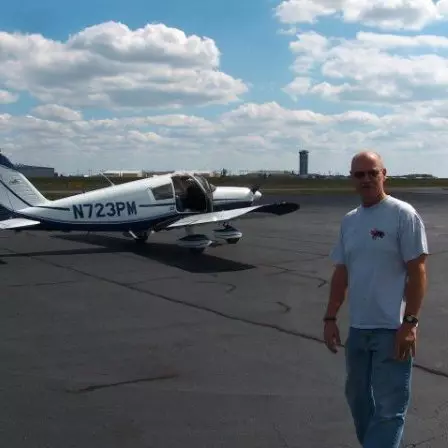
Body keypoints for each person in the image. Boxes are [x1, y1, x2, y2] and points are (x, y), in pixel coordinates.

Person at [323, 151, 429, 447]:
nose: (367, 179)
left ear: (385, 175)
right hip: (358, 329)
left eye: (373, 173)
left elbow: (418, 270)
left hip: (392, 329)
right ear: (352, 180)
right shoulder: (350, 221)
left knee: (389, 408)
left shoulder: (402, 214)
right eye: (360, 175)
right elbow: (341, 273)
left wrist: (410, 322)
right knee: (358, 400)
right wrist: (330, 317)